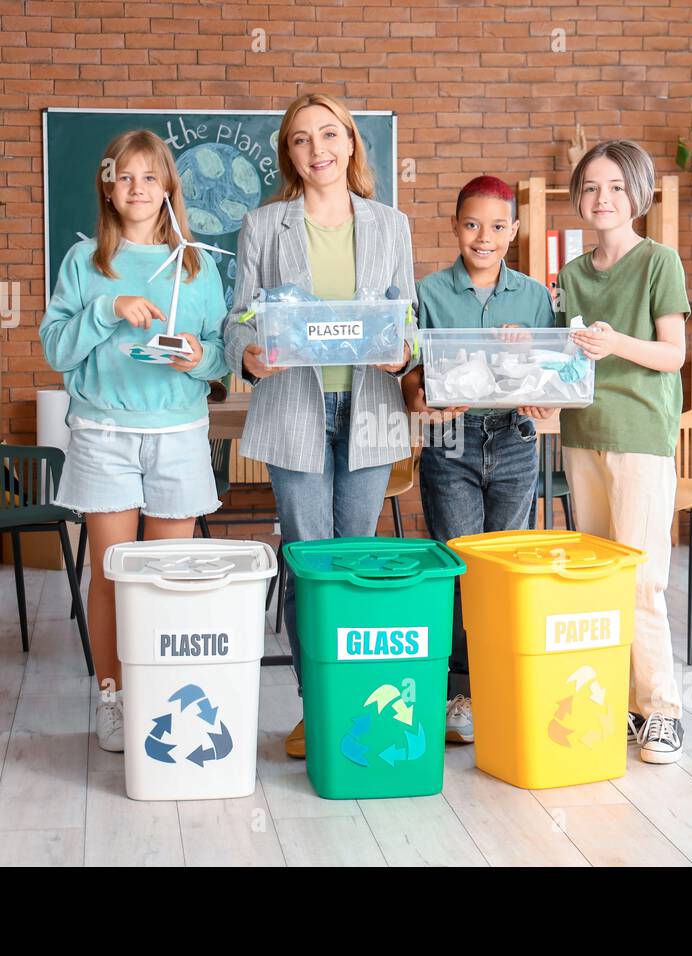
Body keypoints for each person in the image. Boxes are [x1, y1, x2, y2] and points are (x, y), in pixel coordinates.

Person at [221, 93, 415, 759]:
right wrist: (245, 353)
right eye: (301, 140)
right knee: (309, 562)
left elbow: (405, 317)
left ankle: (355, 700)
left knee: (355, 561)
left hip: (369, 408)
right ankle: (315, 705)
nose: (317, 149)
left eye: (328, 135)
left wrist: (404, 349)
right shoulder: (262, 224)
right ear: (289, 154)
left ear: (352, 144)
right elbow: (240, 316)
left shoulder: (391, 224)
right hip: (293, 409)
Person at [40, 129, 229, 753]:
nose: (138, 188)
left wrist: (198, 358)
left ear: (168, 187)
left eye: (150, 177)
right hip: (103, 435)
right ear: (107, 185)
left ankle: (159, 694)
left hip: (177, 435)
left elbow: (222, 356)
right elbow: (55, 350)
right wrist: (106, 309)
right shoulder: (84, 261)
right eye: (125, 176)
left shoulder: (196, 266)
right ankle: (113, 697)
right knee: (112, 573)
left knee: (163, 576)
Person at [401, 175, 556, 744]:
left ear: (514, 231)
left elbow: (549, 375)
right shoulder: (429, 293)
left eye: (496, 227)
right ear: (455, 227)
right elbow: (412, 378)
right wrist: (424, 400)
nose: (483, 237)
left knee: (504, 570)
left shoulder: (536, 297)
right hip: (452, 441)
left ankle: (505, 681)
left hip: (514, 439)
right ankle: (460, 691)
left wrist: (530, 361)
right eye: (472, 225)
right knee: (461, 568)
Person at [557, 140, 691, 764]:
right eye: (589, 187)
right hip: (582, 434)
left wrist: (615, 342)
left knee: (641, 578)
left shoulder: (660, 261)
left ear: (638, 195)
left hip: (640, 438)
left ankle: (662, 711)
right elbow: (569, 360)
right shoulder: (572, 273)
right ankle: (618, 704)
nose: (601, 198)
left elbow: (673, 355)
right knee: (597, 581)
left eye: (614, 186)